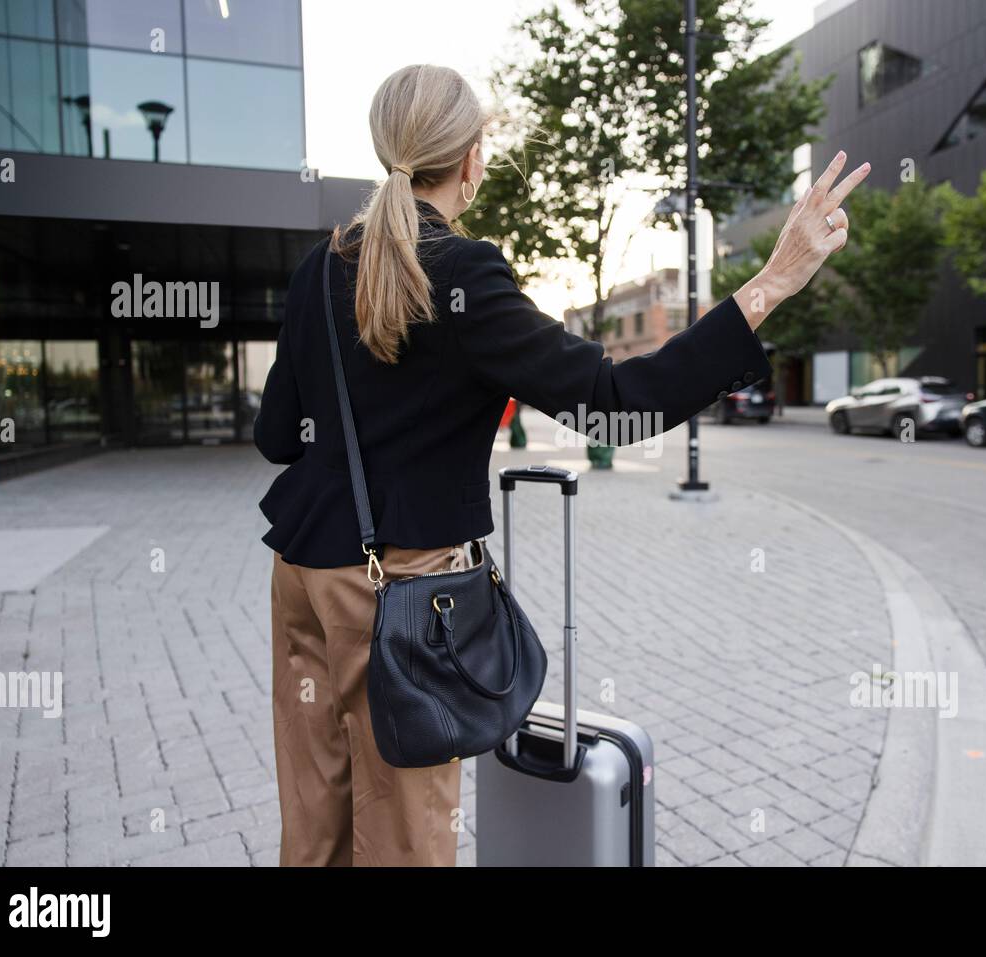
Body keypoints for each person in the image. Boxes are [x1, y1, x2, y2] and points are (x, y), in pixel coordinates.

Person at [253, 63, 869, 866]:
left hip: (301, 575)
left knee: (315, 825)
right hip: (401, 594)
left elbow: (276, 434)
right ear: (471, 159)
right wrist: (771, 282)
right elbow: (615, 402)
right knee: (404, 837)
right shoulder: (463, 273)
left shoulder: (316, 269)